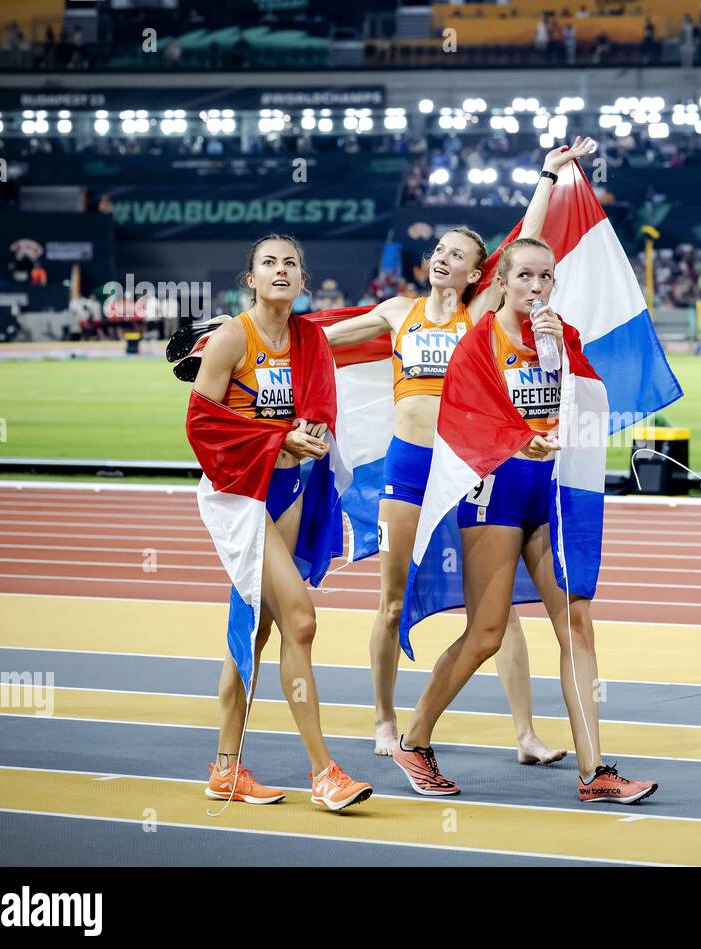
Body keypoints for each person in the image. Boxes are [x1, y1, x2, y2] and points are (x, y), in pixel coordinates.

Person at [322, 137, 596, 762]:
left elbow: (524, 248)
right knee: (391, 598)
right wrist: (228, 345)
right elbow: (312, 342)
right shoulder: (397, 311)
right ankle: (386, 721)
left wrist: (547, 176)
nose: (443, 259)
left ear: (479, 274)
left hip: (470, 470)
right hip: (408, 465)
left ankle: (525, 734)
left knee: (497, 607)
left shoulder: (479, 315)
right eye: (440, 251)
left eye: (458, 256)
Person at [392, 237, 658, 804]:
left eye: (546, 278)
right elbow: (462, 419)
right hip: (494, 494)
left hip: (550, 494)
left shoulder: (561, 337)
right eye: (526, 278)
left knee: (576, 623)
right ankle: (414, 741)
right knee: (487, 633)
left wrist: (560, 357)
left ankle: (594, 771)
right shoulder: (477, 342)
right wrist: (518, 441)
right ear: (504, 282)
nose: (536, 288)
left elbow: (587, 405)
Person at [190, 235, 373, 810]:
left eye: (290, 263)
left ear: (302, 279)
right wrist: (277, 438)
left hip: (291, 487)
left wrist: (306, 434)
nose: (280, 270)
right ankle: (323, 772)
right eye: (268, 262)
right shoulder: (229, 339)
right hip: (242, 493)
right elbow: (201, 426)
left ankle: (225, 769)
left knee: (256, 632)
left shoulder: (310, 339)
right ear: (251, 278)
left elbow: (319, 404)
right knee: (301, 618)